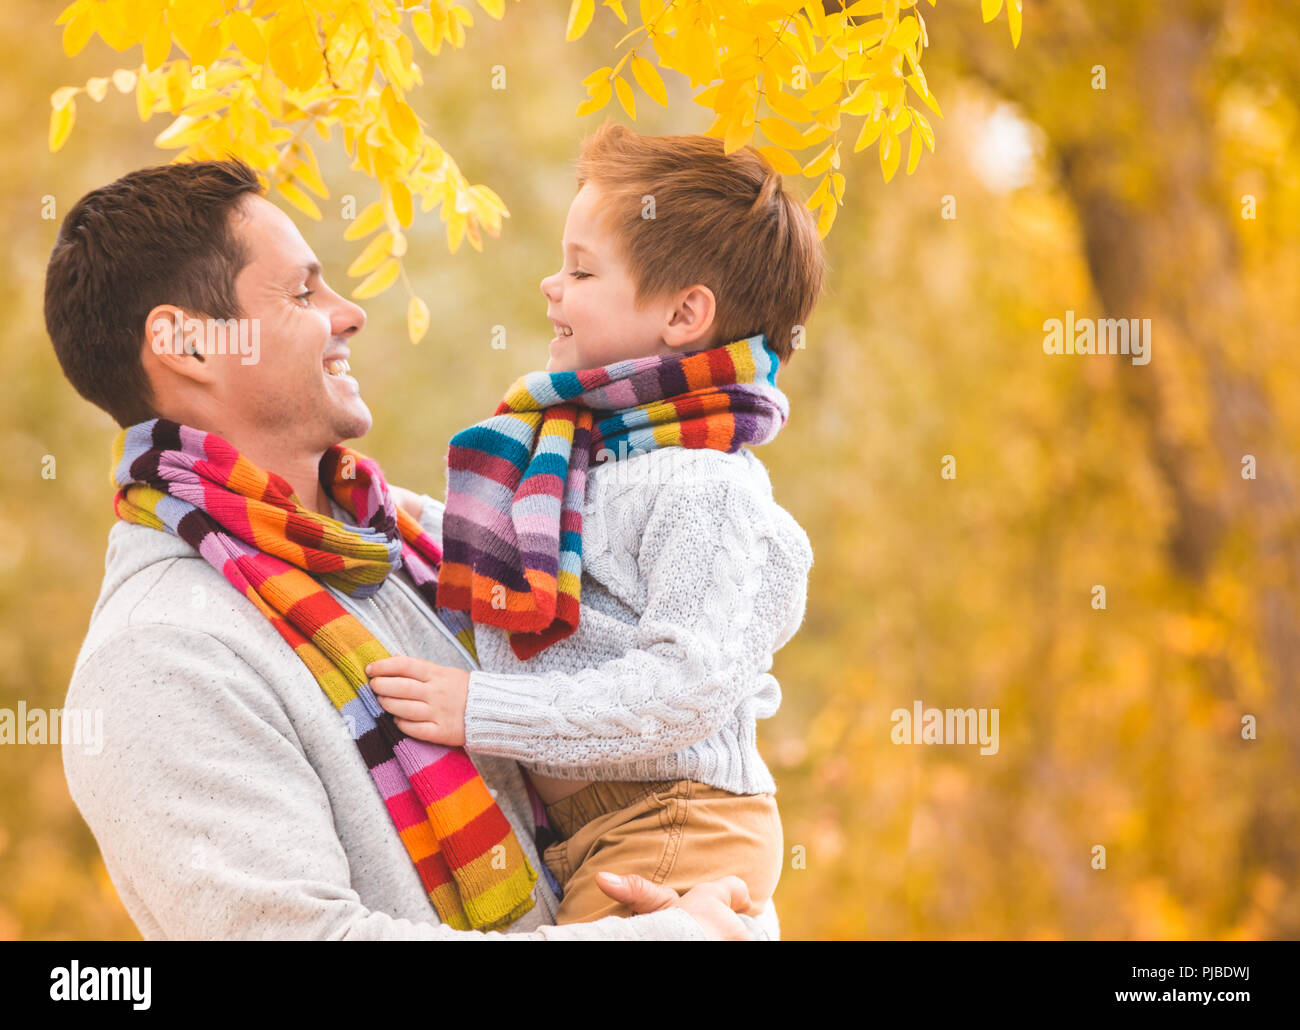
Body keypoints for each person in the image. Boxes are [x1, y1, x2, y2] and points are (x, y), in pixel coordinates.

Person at [44, 157, 770, 940]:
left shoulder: (407, 551)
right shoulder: (161, 655)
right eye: (301, 293)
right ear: (186, 344)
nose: (349, 312)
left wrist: (714, 911)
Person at [363, 123, 824, 923]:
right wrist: (400, 512)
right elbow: (554, 561)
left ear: (684, 315)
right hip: (598, 824)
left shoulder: (704, 485)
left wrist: (481, 710)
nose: (552, 285)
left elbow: (685, 687)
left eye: (581, 269)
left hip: (673, 821)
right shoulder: (590, 449)